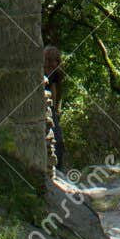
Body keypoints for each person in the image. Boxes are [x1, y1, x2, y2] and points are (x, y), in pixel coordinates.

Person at [43, 43, 65, 171]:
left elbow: (54, 93)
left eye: (56, 60)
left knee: (59, 142)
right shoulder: (39, 72)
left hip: (50, 110)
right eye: (50, 60)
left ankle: (58, 170)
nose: (53, 64)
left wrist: (55, 111)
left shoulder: (56, 75)